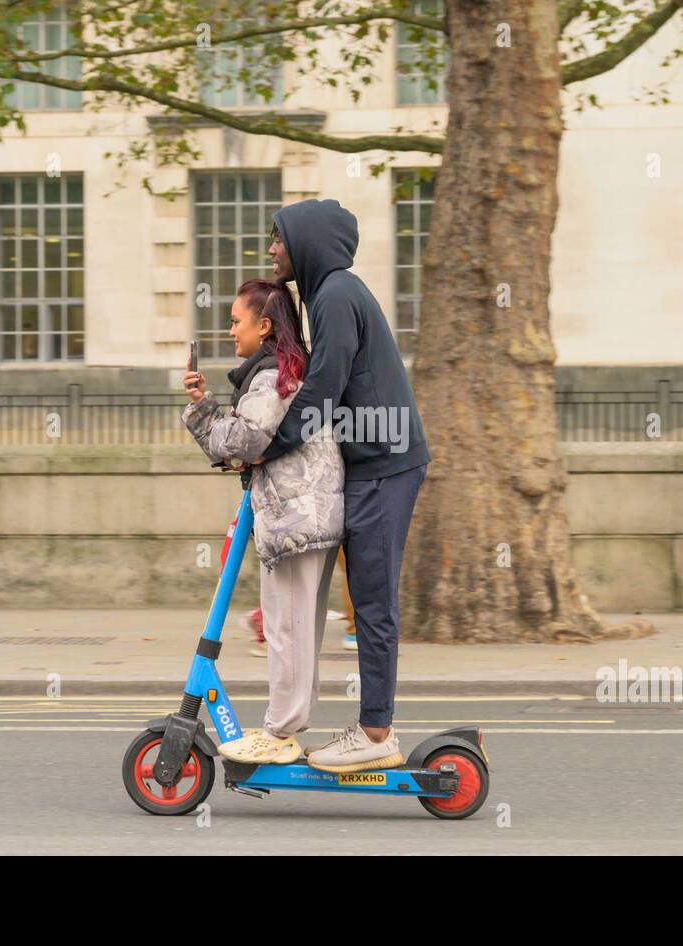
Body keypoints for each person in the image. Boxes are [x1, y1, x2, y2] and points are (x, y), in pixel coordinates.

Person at [258, 199, 430, 774]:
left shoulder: (334, 294)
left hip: (385, 464)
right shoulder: (328, 294)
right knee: (368, 596)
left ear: (304, 240)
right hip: (373, 462)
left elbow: (323, 392)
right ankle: (370, 723)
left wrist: (265, 447)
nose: (271, 248)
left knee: (375, 601)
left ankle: (376, 730)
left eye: (278, 238)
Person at [182, 278, 345, 765]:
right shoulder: (282, 371)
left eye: (237, 321)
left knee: (286, 629)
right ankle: (290, 723)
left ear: (265, 325)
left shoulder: (271, 374)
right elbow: (251, 441)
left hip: (296, 517)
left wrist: (200, 413)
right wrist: (210, 411)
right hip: (308, 513)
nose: (231, 330)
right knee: (297, 628)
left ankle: (281, 732)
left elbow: (246, 440)